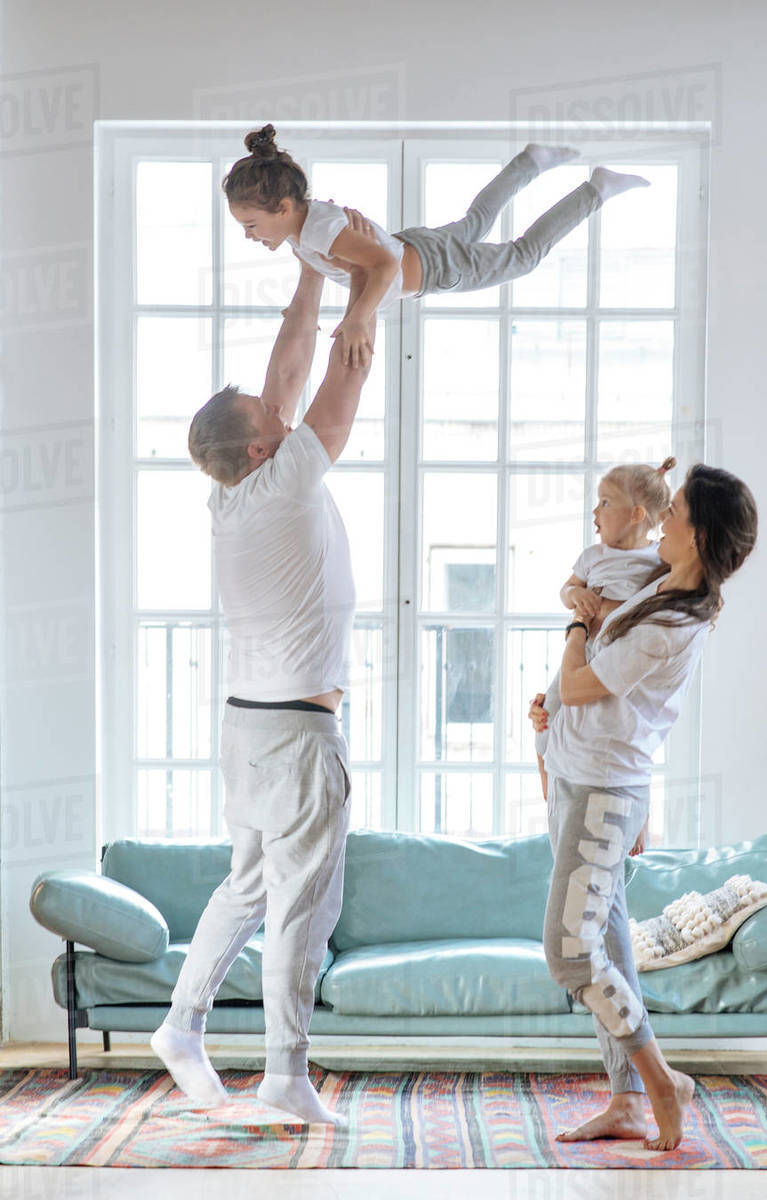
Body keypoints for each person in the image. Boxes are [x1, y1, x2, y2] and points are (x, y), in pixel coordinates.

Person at [150, 217, 378, 1127]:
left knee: (245, 885)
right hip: (293, 735)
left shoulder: (231, 492)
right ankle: (285, 1072)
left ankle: (181, 1024)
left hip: (248, 727)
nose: (284, 416)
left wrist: (310, 271)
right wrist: (366, 291)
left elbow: (284, 375)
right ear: (257, 450)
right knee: (300, 908)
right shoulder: (282, 480)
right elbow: (337, 385)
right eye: (270, 421)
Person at [529, 465, 757, 1150]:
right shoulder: (662, 587)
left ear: (699, 533)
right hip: (580, 778)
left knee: (569, 956)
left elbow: (582, 682)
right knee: (606, 943)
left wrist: (576, 623)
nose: (662, 517)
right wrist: (551, 716)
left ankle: (660, 1080)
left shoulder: (672, 625)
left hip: (600, 793)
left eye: (674, 510)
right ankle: (627, 1097)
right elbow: (614, 701)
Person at [222, 123, 649, 367]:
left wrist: (357, 319)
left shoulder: (314, 232)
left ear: (283, 207)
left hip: (433, 268)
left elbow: (384, 266)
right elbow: (350, 262)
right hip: (419, 248)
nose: (249, 235)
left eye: (251, 225)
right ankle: (530, 162)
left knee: (524, 256)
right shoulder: (303, 228)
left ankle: (595, 190)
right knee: (476, 221)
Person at [532, 457, 677, 802]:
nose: (595, 511)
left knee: (612, 735)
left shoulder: (658, 561)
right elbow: (566, 590)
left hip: (618, 661)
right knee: (545, 720)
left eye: (606, 503)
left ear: (636, 515)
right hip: (582, 653)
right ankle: (551, 796)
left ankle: (620, 804)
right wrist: (576, 596)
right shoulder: (593, 556)